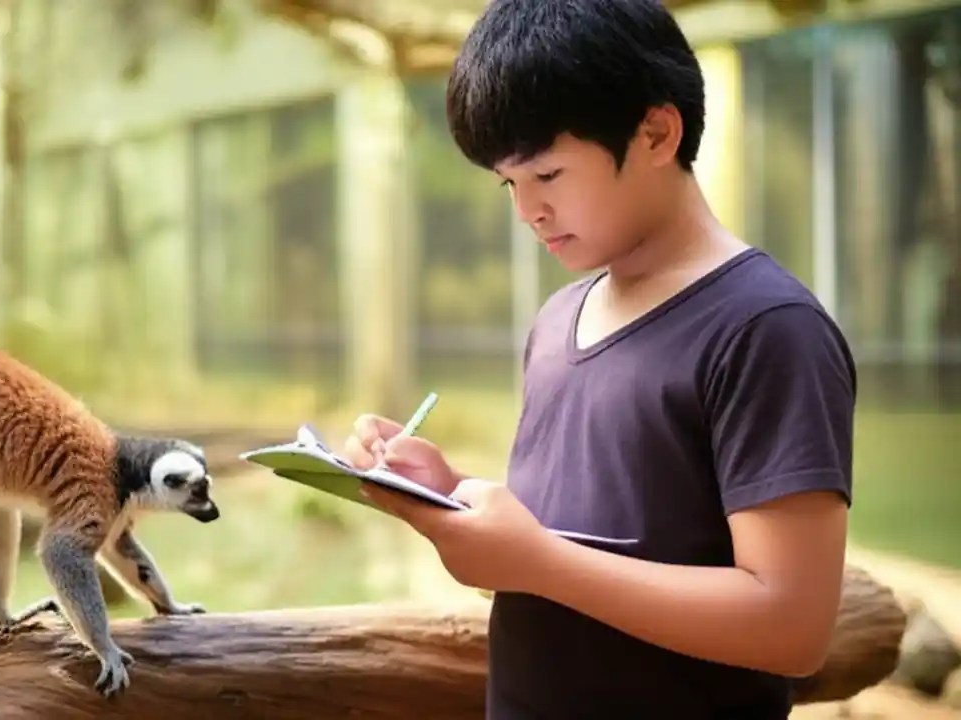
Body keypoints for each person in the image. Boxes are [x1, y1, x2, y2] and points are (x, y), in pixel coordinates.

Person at [339, 1, 856, 717]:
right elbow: (580, 566)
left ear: (656, 132)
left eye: (548, 175)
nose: (528, 211)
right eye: (509, 183)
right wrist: (448, 496)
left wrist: (538, 562)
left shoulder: (766, 329)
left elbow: (793, 629)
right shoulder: (558, 321)